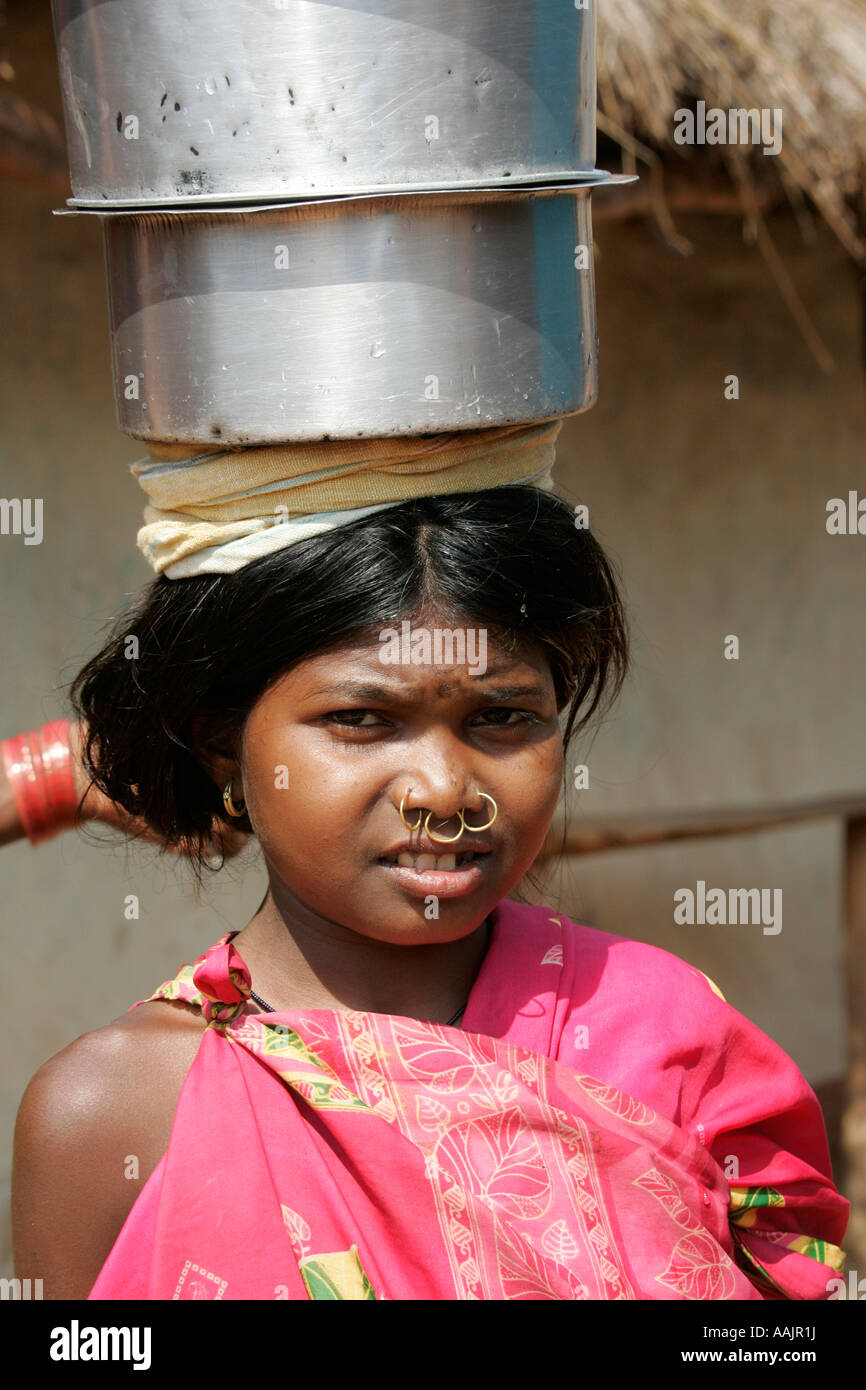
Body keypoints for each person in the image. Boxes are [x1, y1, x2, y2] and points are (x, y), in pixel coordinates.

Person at [9, 424, 848, 1300]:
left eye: (503, 718)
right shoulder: (112, 1114)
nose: (446, 791)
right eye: (362, 721)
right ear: (226, 746)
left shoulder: (673, 1042)